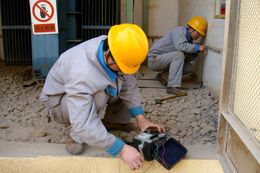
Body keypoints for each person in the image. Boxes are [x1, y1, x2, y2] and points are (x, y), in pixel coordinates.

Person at [40, 23, 165, 171]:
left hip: (81, 90)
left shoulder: (118, 46)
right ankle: (76, 136)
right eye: (119, 65)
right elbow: (83, 122)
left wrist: (141, 118)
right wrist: (122, 149)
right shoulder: (83, 73)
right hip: (59, 104)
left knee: (123, 76)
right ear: (108, 56)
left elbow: (129, 84)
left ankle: (113, 121)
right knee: (98, 95)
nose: (124, 70)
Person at [147, 16, 207, 95]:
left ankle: (163, 76)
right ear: (190, 29)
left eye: (200, 35)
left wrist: (195, 54)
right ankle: (172, 87)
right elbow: (179, 47)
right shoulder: (179, 31)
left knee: (189, 67)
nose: (199, 36)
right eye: (198, 33)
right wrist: (197, 47)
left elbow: (184, 59)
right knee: (179, 55)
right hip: (154, 59)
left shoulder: (188, 41)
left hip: (164, 60)